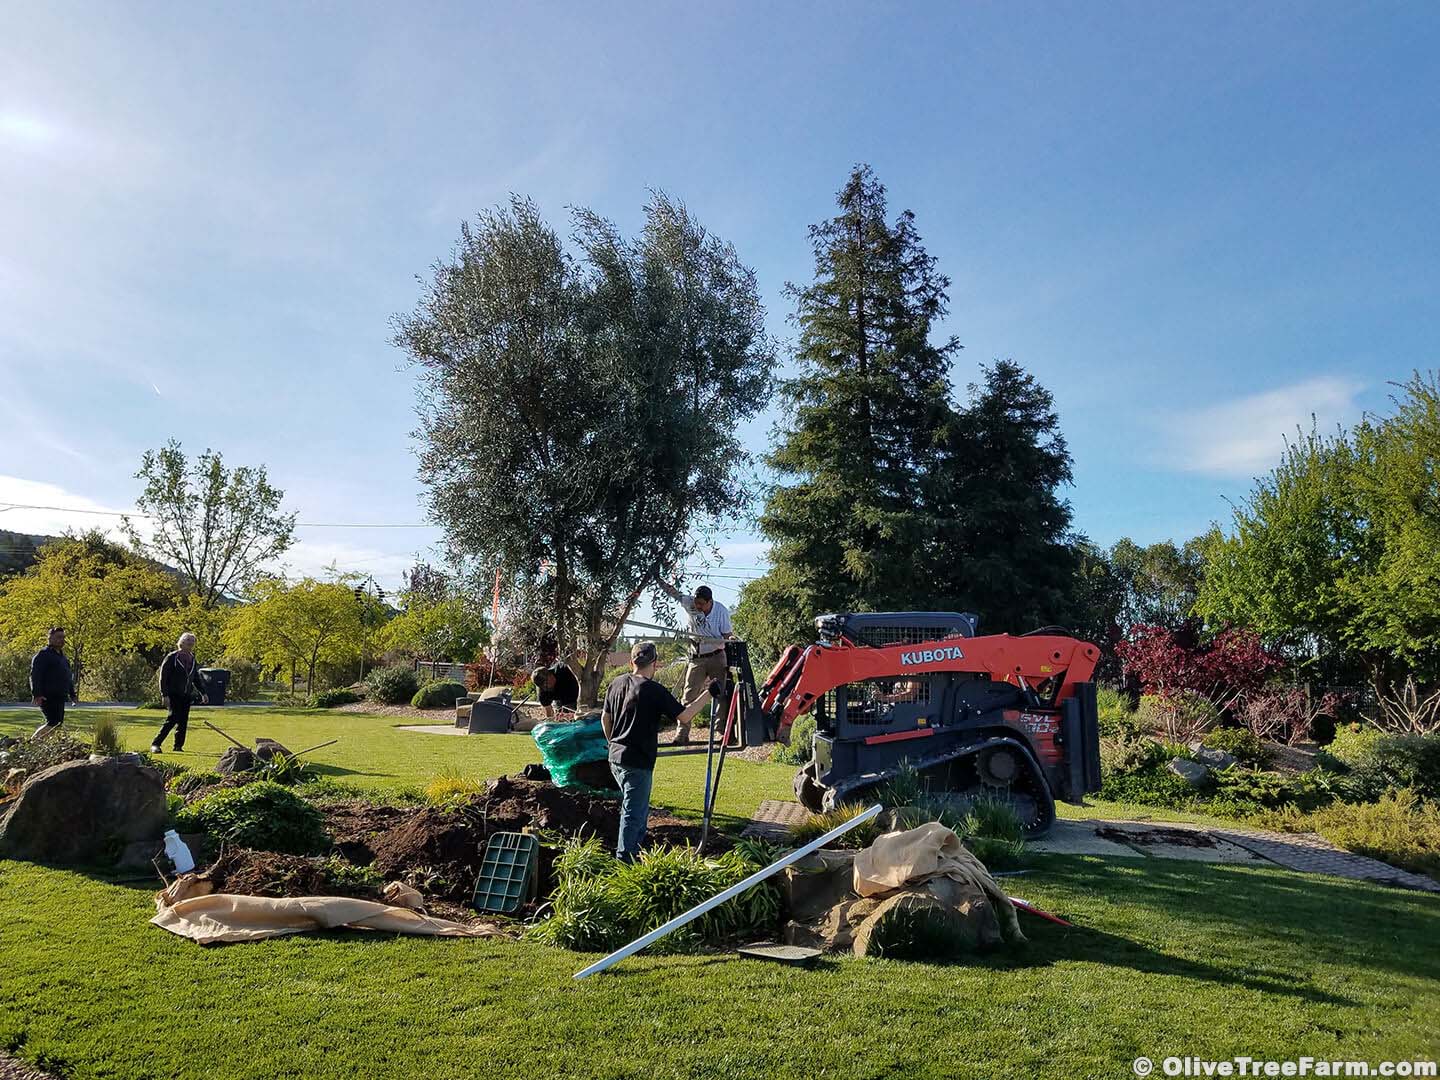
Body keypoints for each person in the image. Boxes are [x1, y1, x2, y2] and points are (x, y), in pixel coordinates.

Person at [601, 640, 715, 861]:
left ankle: (635, 852)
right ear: (655, 663)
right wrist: (709, 693)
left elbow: (605, 718)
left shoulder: (616, 683)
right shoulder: (654, 690)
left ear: (632, 660)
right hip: (637, 762)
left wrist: (613, 742)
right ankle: (625, 862)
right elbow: (684, 715)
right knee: (633, 813)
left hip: (615, 758)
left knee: (638, 809)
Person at [656, 579, 733, 745]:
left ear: (709, 602)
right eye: (696, 603)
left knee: (721, 693)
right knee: (688, 696)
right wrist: (657, 579)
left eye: (701, 604)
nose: (698, 607)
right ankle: (682, 734)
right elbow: (674, 593)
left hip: (717, 656)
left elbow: (727, 635)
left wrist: (732, 642)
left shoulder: (721, 611)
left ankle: (721, 732)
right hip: (696, 657)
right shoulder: (689, 602)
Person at [150, 632, 209, 754]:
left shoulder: (192, 658)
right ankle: (156, 744)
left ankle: (178, 746)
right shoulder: (172, 657)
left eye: (192, 641)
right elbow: (163, 677)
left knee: (183, 721)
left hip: (186, 695)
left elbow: (195, 678)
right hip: (173, 693)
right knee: (172, 719)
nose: (191, 643)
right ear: (182, 642)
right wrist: (164, 694)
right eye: (188, 641)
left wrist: (203, 693)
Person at [29, 627, 77, 742]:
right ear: (50, 638)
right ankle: (32, 742)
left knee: (57, 724)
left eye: (63, 637)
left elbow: (67, 678)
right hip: (47, 696)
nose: (61, 640)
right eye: (58, 637)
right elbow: (35, 675)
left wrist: (72, 695)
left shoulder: (63, 658)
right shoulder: (43, 655)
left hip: (60, 696)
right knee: (53, 722)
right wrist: (37, 694)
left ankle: (43, 745)